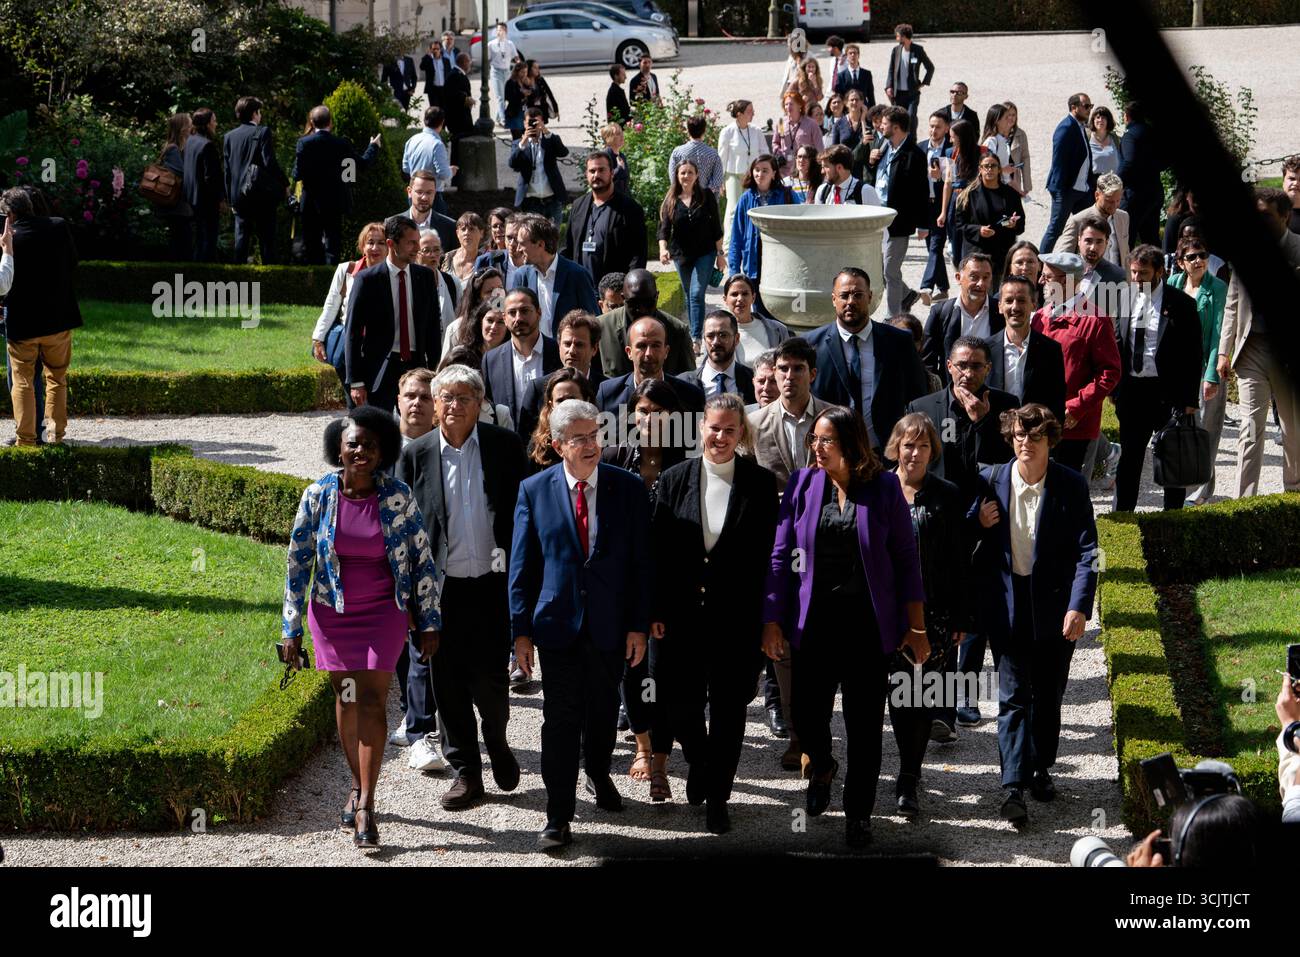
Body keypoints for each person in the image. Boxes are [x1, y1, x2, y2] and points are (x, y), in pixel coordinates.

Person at [763, 406, 928, 847]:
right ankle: (822, 766)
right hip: (813, 625)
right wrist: (772, 619)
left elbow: (906, 559)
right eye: (814, 440)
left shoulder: (885, 487)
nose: (817, 448)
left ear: (851, 444)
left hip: (867, 629)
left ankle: (859, 814)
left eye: (827, 440)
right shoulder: (801, 485)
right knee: (805, 716)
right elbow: (780, 555)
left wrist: (916, 627)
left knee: (864, 727)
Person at [282, 407, 441, 849]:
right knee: (347, 697)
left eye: (370, 444)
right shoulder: (317, 495)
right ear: (339, 448)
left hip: (383, 613)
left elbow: (422, 558)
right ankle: (356, 783)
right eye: (353, 443)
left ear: (383, 451)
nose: (361, 451)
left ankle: (366, 804)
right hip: (332, 614)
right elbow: (298, 563)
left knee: (372, 699)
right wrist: (290, 627)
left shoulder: (398, 496)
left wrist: (429, 618)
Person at [509, 399, 652, 849]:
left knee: (604, 710)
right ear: (558, 446)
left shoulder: (627, 488)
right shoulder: (534, 490)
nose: (591, 445)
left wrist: (638, 625)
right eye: (579, 439)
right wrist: (520, 632)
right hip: (557, 625)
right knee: (560, 719)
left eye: (595, 435)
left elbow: (641, 564)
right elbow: (522, 567)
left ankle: (598, 772)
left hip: (611, 624)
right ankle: (558, 815)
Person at [394, 364, 527, 809]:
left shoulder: (504, 446)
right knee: (447, 685)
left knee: (490, 682)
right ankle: (467, 772)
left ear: (480, 404)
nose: (454, 405)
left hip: (492, 584)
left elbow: (524, 513)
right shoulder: (416, 455)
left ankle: (497, 739)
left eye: (464, 398)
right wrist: (408, 592)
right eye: (446, 397)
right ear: (435, 405)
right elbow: (403, 529)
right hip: (441, 590)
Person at [649, 393, 778, 831]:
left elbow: (769, 558)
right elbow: (658, 551)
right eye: (713, 428)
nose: (720, 437)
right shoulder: (673, 479)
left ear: (741, 432)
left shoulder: (760, 484)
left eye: (729, 429)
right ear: (701, 427)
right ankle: (699, 761)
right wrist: (655, 608)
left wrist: (768, 620)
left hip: (736, 621)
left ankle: (718, 797)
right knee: (680, 706)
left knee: (728, 711)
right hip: (681, 618)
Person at [968, 404, 1098, 824]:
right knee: (1012, 697)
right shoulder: (991, 480)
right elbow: (961, 534)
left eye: (1035, 437)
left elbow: (1088, 551)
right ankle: (1013, 786)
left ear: (1050, 442)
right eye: (1020, 436)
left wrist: (1079, 606)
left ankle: (1040, 765)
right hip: (1006, 606)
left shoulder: (1071, 485)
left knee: (1048, 694)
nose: (1026, 443)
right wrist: (978, 521)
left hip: (1054, 608)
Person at [886, 411, 976, 783]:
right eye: (909, 445)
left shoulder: (947, 495)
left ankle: (909, 774)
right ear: (896, 447)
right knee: (898, 693)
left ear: (932, 450)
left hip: (934, 612)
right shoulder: (878, 490)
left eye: (923, 446)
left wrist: (961, 615)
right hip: (888, 612)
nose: (915, 453)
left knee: (923, 695)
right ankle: (907, 760)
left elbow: (960, 560)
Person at [1218, 188, 1300, 496]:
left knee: (1293, 430)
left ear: (1285, 216)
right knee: (1250, 427)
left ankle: (1294, 493)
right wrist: (1223, 352)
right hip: (1251, 349)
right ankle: (1244, 498)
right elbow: (1232, 303)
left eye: (1265, 215)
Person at [1112, 244, 1203, 512]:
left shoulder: (1182, 304)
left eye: (1143, 273)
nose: (1137, 278)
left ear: (1159, 272)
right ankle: (1123, 517)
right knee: (1129, 460)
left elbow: (1193, 355)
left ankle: (1172, 518)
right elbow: (1117, 343)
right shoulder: (1123, 298)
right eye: (1133, 273)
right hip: (1132, 393)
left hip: (1168, 394)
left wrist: (1189, 400)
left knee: (1172, 460)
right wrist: (1115, 390)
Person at [806, 267, 929, 451]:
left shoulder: (899, 342)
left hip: (886, 452)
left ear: (870, 297)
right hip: (831, 453)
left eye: (858, 295)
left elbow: (918, 397)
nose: (851, 301)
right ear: (833, 299)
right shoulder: (812, 344)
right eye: (844, 295)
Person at [0, 188, 79, 447]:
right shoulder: (58, 226)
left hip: (23, 322)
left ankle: (26, 440)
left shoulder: (9, 239)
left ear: (10, 215)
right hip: (58, 318)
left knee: (22, 381)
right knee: (56, 378)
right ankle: (54, 437)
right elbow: (72, 263)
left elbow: (4, 281)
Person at [1031, 251, 1121, 474]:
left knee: (1068, 488)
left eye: (1047, 276)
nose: (1040, 281)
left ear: (1066, 281)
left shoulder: (1095, 320)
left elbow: (1109, 372)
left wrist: (1076, 407)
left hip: (1073, 427)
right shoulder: (1039, 317)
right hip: (1039, 421)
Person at [344, 215, 444, 413]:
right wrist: (356, 381)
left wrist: (434, 372)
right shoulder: (367, 280)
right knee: (379, 426)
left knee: (416, 423)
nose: (417, 248)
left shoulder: (425, 277)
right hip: (380, 368)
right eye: (411, 243)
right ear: (391, 244)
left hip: (416, 366)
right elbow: (353, 332)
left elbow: (433, 328)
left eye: (417, 241)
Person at [907, 336, 1018, 495]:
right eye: (962, 365)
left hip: (988, 498)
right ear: (949, 366)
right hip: (940, 501)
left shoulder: (1006, 404)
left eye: (976, 366)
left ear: (988, 368)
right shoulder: (922, 408)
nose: (968, 374)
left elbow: (1012, 456)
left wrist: (983, 422)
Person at [1169, 236, 1228, 506]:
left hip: (1206, 368)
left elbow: (1218, 334)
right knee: (1181, 429)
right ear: (1181, 262)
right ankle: (1182, 486)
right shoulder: (1173, 283)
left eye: (1203, 255)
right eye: (1191, 257)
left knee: (1206, 432)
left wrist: (1211, 375)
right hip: (1178, 369)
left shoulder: (1218, 288)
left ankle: (1201, 491)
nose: (1199, 261)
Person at [292, 105, 381, 265]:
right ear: (330, 122)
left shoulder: (304, 143)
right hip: (334, 201)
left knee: (312, 244)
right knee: (333, 244)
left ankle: (316, 275)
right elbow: (362, 164)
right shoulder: (341, 144)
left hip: (311, 201)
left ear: (312, 122)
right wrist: (373, 146)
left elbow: (296, 174)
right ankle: (332, 275)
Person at [313, 222, 387, 405]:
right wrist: (318, 339)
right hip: (350, 345)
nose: (375, 248)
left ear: (389, 247)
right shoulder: (346, 270)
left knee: (379, 402)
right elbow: (331, 306)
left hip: (381, 347)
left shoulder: (395, 274)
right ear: (362, 246)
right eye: (370, 242)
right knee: (354, 402)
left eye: (381, 243)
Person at [748, 336, 829, 494]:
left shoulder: (833, 417)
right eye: (783, 369)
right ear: (775, 372)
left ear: (812, 374)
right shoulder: (754, 423)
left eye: (798, 368)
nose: (789, 376)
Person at [658, 161, 724, 347]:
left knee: (696, 294)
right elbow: (663, 229)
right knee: (688, 295)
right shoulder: (671, 199)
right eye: (683, 173)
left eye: (690, 172)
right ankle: (693, 333)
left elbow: (716, 227)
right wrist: (663, 249)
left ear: (696, 175)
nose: (686, 176)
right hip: (681, 255)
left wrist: (720, 254)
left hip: (705, 253)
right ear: (677, 176)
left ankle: (696, 338)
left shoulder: (706, 196)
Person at [984, 275, 1067, 424]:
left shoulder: (1050, 350)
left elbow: (1057, 403)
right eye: (1009, 301)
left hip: (1035, 434)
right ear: (1000, 306)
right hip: (994, 433)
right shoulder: (985, 350)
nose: (1015, 307)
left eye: (1021, 301)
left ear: (1034, 304)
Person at [874, 106, 930, 314]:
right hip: (876, 218)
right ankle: (907, 295)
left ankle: (893, 316)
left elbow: (922, 191)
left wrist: (923, 224)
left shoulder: (914, 155)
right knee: (877, 267)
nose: (881, 126)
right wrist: (871, 160)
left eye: (885, 123)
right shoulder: (883, 146)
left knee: (890, 270)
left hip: (898, 222)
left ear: (896, 127)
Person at [562, 150, 647, 285]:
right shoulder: (578, 206)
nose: (596, 175)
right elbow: (568, 247)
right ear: (586, 175)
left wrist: (628, 287)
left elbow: (638, 254)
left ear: (612, 173)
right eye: (592, 171)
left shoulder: (630, 209)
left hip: (614, 289)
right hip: (581, 287)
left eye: (601, 170)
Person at [518, 310, 605, 439]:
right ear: (559, 346)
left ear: (594, 348)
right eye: (567, 344)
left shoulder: (607, 389)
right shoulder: (538, 388)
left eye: (579, 345)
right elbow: (525, 441)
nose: (572, 351)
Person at [482, 288, 562, 428]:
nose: (518, 318)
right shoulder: (491, 360)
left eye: (525, 311)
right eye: (512, 313)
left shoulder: (559, 352)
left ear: (539, 313)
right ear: (505, 318)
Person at [596, 315, 706, 416]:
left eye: (656, 345)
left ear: (666, 351)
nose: (649, 353)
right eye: (641, 346)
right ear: (629, 352)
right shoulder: (608, 395)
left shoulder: (689, 395)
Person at [511, 213, 600, 338]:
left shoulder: (577, 275)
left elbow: (593, 321)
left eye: (522, 244)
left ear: (540, 244)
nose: (518, 249)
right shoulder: (521, 276)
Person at [596, 268, 696, 378]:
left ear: (657, 297)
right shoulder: (602, 327)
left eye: (648, 303)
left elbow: (689, 378)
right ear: (623, 298)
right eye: (634, 303)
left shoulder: (677, 331)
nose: (642, 310)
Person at [224, 95, 287, 265]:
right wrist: (285, 183)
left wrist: (230, 199)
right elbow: (269, 162)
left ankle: (237, 275)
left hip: (239, 196)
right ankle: (269, 275)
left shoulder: (229, 136)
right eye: (259, 112)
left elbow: (227, 171)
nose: (260, 115)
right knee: (267, 240)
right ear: (254, 113)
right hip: (260, 195)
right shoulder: (262, 132)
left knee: (241, 240)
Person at [921, 252, 1002, 385]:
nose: (981, 283)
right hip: (953, 391)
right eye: (974, 277)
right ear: (958, 278)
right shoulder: (941, 313)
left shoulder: (1000, 312)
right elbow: (927, 362)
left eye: (986, 277)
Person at [727, 154, 800, 284]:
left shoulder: (788, 196)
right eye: (757, 170)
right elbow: (736, 238)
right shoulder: (745, 199)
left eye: (765, 170)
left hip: (782, 264)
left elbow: (800, 229)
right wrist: (734, 274)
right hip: (753, 267)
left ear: (774, 173)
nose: (760, 174)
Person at [954, 153, 1025, 285]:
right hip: (977, 254)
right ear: (980, 169)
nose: (989, 169)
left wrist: (1013, 224)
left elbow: (1021, 225)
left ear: (999, 169)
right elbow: (959, 225)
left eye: (993, 166)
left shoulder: (1011, 194)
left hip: (1003, 253)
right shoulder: (968, 195)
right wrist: (978, 230)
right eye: (986, 166)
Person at [1040, 93, 1096, 255]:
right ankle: (1040, 262)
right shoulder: (1066, 127)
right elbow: (1059, 161)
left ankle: (1080, 262)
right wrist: (1061, 190)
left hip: (1082, 190)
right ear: (1074, 107)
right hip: (1066, 190)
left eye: (1090, 106)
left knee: (1089, 227)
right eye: (1086, 106)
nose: (1089, 110)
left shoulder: (1080, 126)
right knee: (1056, 229)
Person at [1056, 171, 1131, 270]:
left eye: (1118, 200)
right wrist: (1072, 279)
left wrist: (1129, 279)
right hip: (1088, 278)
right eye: (1109, 201)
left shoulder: (1123, 217)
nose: (1115, 205)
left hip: (1118, 278)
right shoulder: (1078, 221)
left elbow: (1126, 254)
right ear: (1097, 195)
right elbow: (1064, 258)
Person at [679, 309, 755, 402]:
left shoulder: (754, 381)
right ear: (704, 339)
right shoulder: (683, 384)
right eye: (710, 336)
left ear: (736, 339)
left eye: (723, 335)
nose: (716, 342)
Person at [718, 100, 763, 256]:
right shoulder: (727, 132)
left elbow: (764, 152)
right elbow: (721, 158)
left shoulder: (756, 131)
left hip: (753, 176)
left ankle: (750, 243)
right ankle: (728, 246)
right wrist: (720, 181)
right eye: (750, 111)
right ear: (739, 114)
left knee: (752, 208)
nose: (753, 113)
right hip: (733, 175)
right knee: (733, 209)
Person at [917, 112, 953, 304]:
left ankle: (926, 286)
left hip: (942, 204)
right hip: (925, 205)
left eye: (938, 127)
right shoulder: (921, 148)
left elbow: (952, 181)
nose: (933, 130)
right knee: (932, 246)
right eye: (931, 126)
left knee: (936, 245)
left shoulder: (950, 150)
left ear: (946, 128)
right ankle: (944, 288)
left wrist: (939, 178)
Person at [509, 108, 567, 226]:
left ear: (542, 123)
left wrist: (546, 131)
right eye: (530, 123)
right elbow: (512, 163)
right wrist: (523, 142)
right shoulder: (518, 144)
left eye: (536, 122)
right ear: (524, 124)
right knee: (532, 236)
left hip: (552, 201)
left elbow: (563, 152)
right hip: (531, 203)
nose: (533, 126)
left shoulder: (550, 140)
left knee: (553, 235)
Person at [1117, 101, 1164, 246]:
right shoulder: (1153, 133)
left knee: (1124, 238)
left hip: (1135, 194)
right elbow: (1166, 158)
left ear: (1127, 116)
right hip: (1154, 191)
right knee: (1151, 240)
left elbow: (1128, 161)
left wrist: (1115, 182)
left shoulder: (1130, 135)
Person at [936, 118, 979, 270]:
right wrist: (943, 212)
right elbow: (947, 183)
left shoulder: (981, 152)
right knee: (955, 242)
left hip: (973, 199)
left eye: (953, 137)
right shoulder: (950, 152)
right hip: (956, 200)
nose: (950, 140)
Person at [182, 107, 224, 263]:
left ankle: (196, 270)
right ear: (207, 124)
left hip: (191, 199)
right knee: (208, 240)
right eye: (214, 121)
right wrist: (220, 199)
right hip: (206, 201)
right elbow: (211, 178)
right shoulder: (207, 145)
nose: (216, 124)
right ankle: (206, 273)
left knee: (199, 240)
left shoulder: (190, 142)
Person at [724, 273, 791, 366]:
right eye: (734, 294)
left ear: (753, 298)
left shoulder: (778, 330)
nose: (740, 299)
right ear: (725, 299)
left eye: (745, 294)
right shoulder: (718, 333)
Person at [155, 113, 194, 261]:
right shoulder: (173, 149)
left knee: (181, 243)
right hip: (176, 207)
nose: (192, 128)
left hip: (179, 206)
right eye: (189, 125)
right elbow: (181, 173)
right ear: (182, 128)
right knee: (182, 245)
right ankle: (177, 274)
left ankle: (178, 272)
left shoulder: (178, 148)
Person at [401, 107, 455, 206]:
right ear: (442, 123)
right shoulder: (437, 144)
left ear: (424, 120)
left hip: (414, 193)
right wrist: (451, 171)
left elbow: (405, 168)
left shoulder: (412, 140)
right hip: (432, 195)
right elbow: (443, 174)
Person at [394, 169, 458, 253]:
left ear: (434, 193)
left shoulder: (450, 226)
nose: (424, 197)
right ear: (409, 192)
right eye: (419, 192)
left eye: (429, 193)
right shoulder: (393, 224)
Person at [444, 268, 505, 354]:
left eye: (500, 288)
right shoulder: (457, 328)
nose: (497, 295)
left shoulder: (511, 323)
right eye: (490, 291)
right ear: (477, 297)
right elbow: (448, 361)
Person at [884, 23, 934, 128]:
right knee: (899, 119)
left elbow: (930, 67)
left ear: (904, 36)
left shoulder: (918, 50)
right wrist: (889, 86)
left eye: (898, 36)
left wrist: (924, 83)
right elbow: (891, 70)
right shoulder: (896, 50)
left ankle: (912, 137)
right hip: (898, 94)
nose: (896, 38)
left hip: (912, 93)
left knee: (911, 117)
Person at [668, 113, 724, 194]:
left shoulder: (677, 152)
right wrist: (704, 194)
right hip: (706, 199)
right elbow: (717, 181)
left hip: (683, 196)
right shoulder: (713, 154)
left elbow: (673, 178)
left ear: (688, 130)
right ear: (704, 131)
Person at [888, 314, 943, 395]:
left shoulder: (933, 381)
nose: (901, 346)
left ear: (919, 344)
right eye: (895, 339)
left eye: (906, 340)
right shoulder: (876, 378)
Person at [771, 92, 823, 173]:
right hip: (784, 170)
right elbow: (775, 142)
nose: (788, 107)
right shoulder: (781, 123)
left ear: (800, 105)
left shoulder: (811, 124)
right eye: (786, 104)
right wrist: (779, 153)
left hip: (805, 170)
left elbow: (819, 148)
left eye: (791, 104)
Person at [812, 144, 876, 205]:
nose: (822, 171)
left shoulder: (866, 191)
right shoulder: (822, 191)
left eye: (825, 167)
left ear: (839, 167)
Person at [444, 212, 485, 288]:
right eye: (463, 229)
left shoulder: (486, 262)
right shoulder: (445, 259)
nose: (466, 233)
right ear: (457, 233)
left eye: (471, 229)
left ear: (481, 233)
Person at [488, 22, 518, 127]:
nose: (499, 32)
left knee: (505, 97)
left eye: (501, 30)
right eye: (498, 30)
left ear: (506, 31)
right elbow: (487, 59)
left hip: (507, 72)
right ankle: (503, 119)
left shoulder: (510, 44)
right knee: (500, 97)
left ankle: (498, 118)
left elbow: (516, 57)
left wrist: (520, 65)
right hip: (496, 72)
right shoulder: (491, 44)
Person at [1004, 102, 1032, 197]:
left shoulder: (1021, 134)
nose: (1011, 118)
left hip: (1014, 178)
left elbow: (1025, 158)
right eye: (1008, 115)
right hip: (997, 178)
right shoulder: (995, 134)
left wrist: (1027, 186)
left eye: (1013, 115)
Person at [1087, 105, 1122, 179]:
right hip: (1094, 183)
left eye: (1103, 118)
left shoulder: (1115, 139)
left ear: (1108, 121)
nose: (1100, 120)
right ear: (1093, 120)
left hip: (1114, 182)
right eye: (1098, 117)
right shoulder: (1087, 138)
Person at [419, 39, 454, 111]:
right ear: (431, 50)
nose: (436, 51)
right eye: (434, 49)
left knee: (445, 109)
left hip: (444, 89)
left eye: (437, 49)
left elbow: (449, 75)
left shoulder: (446, 61)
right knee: (435, 110)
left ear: (440, 49)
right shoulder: (428, 60)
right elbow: (422, 67)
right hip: (433, 90)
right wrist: (427, 55)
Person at [598, 122, 632, 195]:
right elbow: (603, 178)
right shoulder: (604, 156)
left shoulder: (622, 156)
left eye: (622, 133)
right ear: (608, 138)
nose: (622, 136)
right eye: (618, 134)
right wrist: (619, 168)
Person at [503, 61, 531, 141]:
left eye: (526, 72)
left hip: (524, 113)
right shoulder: (511, 82)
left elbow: (533, 94)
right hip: (514, 113)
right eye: (522, 72)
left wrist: (529, 85)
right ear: (517, 72)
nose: (524, 74)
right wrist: (522, 94)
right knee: (517, 139)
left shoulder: (525, 82)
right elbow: (508, 97)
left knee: (528, 137)